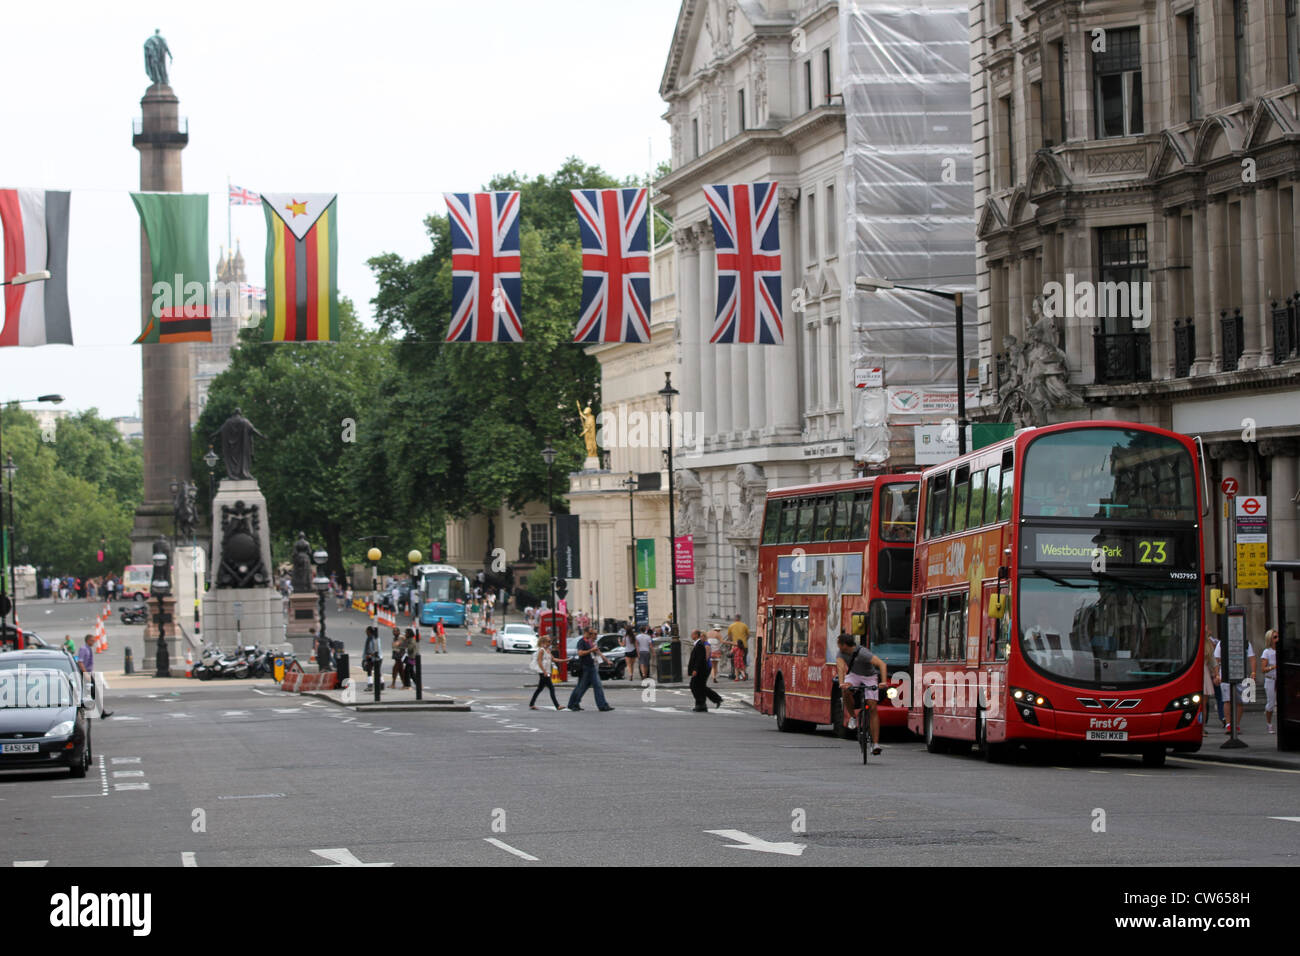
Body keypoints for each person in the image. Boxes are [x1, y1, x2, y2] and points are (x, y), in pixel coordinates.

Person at [837, 633, 885, 754]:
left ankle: (875, 744)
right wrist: (842, 683)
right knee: (845, 690)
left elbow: (882, 664)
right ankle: (853, 717)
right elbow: (841, 667)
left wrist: (883, 682)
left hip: (869, 677)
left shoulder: (863, 653)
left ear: (844, 645)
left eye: (839, 644)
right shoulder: (841, 653)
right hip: (854, 675)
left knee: (872, 706)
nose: (838, 647)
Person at [1213, 634, 1257, 733]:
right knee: (1227, 700)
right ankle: (1229, 724)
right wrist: (1216, 675)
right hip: (1225, 674)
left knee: (1240, 701)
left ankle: (1236, 724)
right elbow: (1216, 659)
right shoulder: (1222, 643)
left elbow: (1252, 658)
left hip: (1241, 674)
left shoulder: (1245, 643)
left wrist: (1253, 672)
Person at [566, 627, 614, 712]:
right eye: (591, 633)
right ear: (586, 632)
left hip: (591, 666)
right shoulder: (582, 641)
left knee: (582, 687)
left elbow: (598, 652)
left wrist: (607, 661)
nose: (592, 635)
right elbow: (580, 653)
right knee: (594, 686)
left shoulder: (590, 642)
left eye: (593, 633)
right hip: (586, 667)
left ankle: (573, 704)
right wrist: (591, 650)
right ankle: (602, 705)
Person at [688, 630, 723, 712]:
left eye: (692, 634)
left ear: (696, 635)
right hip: (701, 669)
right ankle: (703, 704)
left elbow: (701, 659)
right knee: (700, 687)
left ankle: (702, 704)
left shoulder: (700, 645)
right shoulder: (698, 644)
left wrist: (695, 669)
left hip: (702, 669)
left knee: (695, 686)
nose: (691, 635)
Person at [530, 636, 562, 711]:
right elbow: (539, 661)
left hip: (546, 671)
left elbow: (554, 659)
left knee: (539, 689)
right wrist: (544, 671)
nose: (550, 643)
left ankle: (531, 704)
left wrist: (565, 660)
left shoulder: (547, 650)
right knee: (551, 688)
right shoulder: (541, 650)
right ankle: (557, 706)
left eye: (550, 641)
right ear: (543, 642)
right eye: (548, 641)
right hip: (543, 672)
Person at [1262, 628, 1279, 734]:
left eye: (1278, 637)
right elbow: (1263, 669)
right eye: (1275, 637)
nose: (1277, 639)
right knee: (1271, 703)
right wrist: (1273, 667)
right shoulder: (1267, 652)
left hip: (1279, 679)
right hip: (1271, 679)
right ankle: (1269, 723)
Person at [726, 614, 749, 681]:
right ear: (740, 618)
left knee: (734, 662)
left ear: (735, 618)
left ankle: (735, 675)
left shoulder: (731, 626)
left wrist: (732, 642)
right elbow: (748, 635)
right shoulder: (744, 625)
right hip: (744, 646)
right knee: (743, 661)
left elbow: (729, 637)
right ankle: (743, 674)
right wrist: (744, 641)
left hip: (735, 645)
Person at [362, 626, 383, 691]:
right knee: (370, 670)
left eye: (366, 631)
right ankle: (377, 684)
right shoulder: (370, 638)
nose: (365, 632)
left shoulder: (373, 639)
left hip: (376, 658)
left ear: (369, 631)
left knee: (375, 671)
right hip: (372, 657)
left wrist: (370, 655)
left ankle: (376, 685)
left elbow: (376, 650)